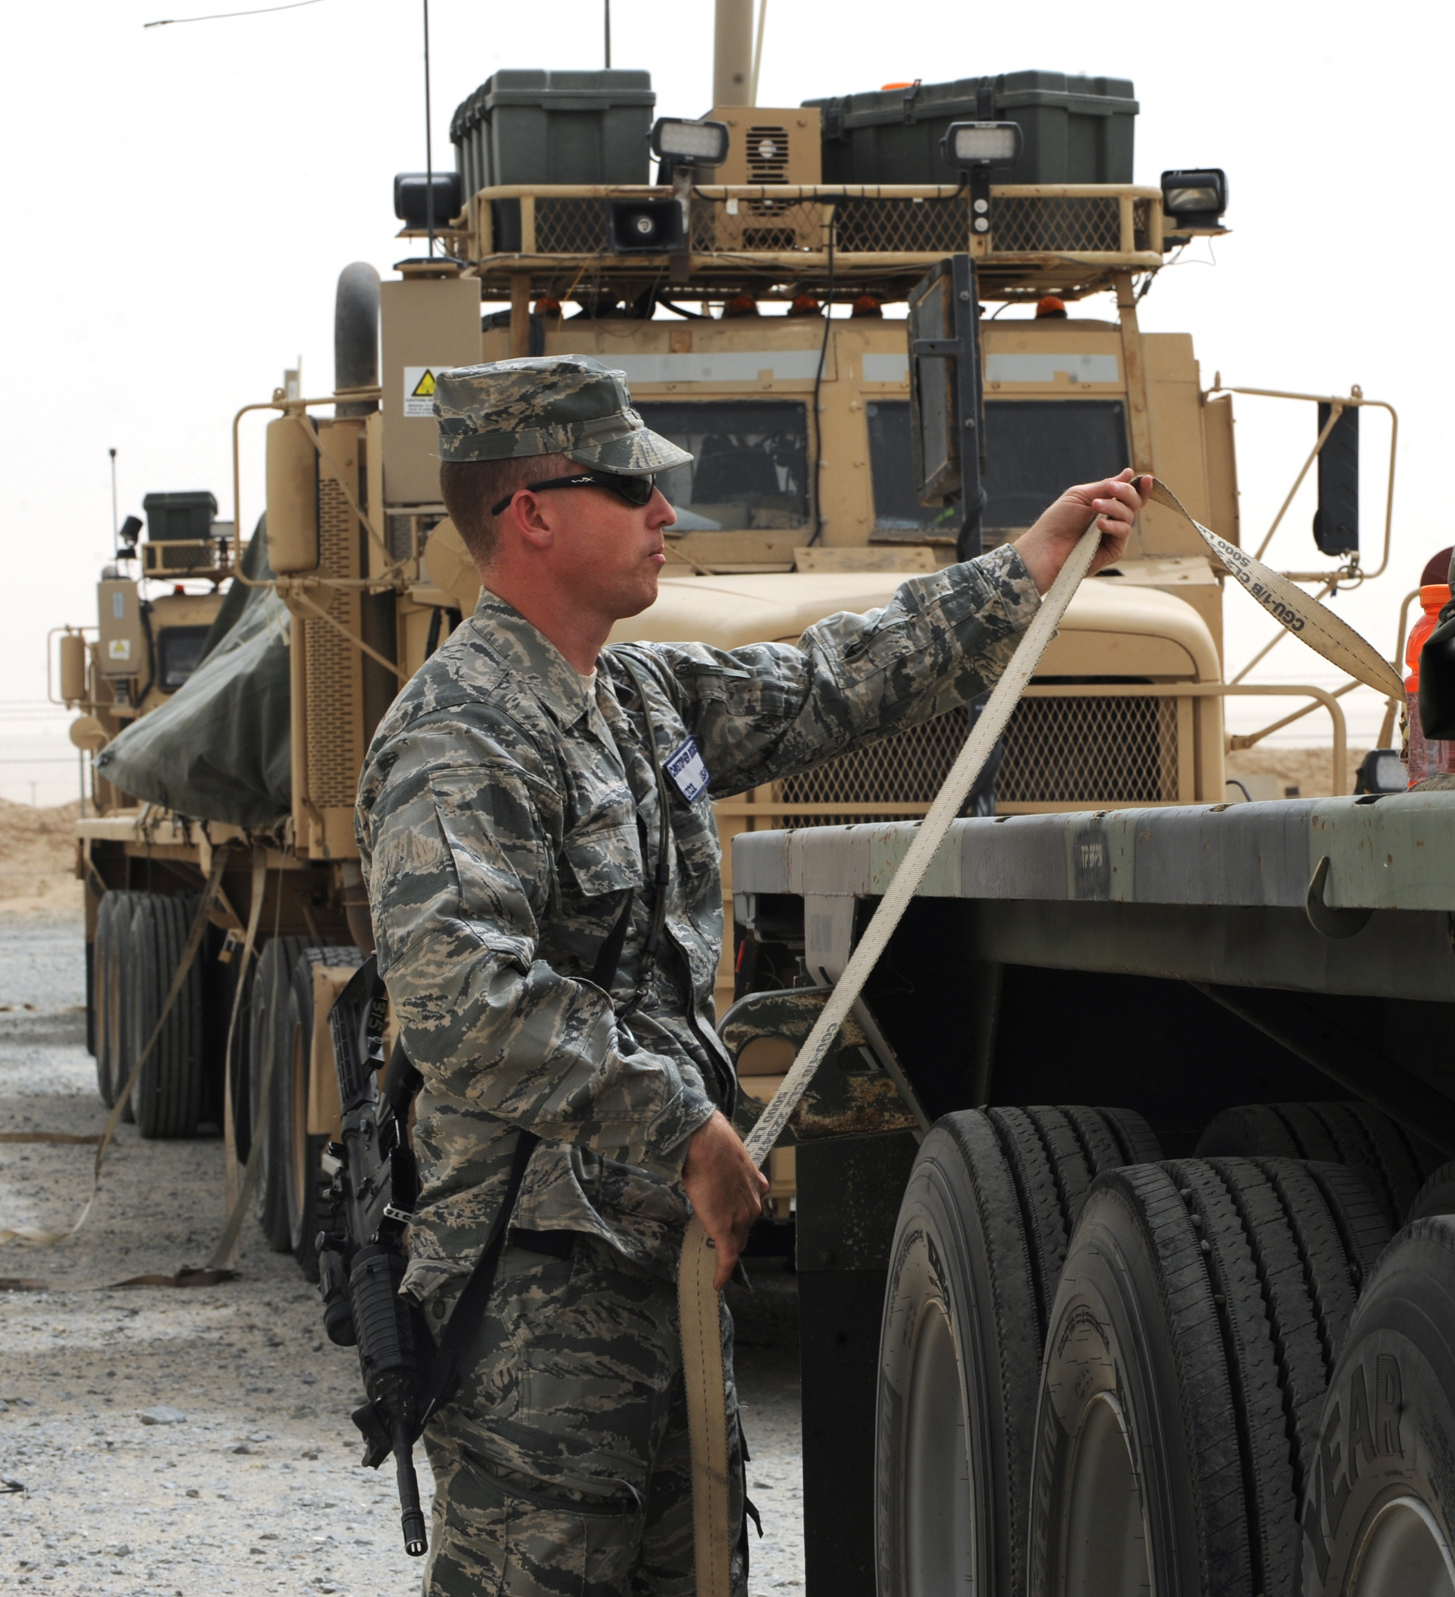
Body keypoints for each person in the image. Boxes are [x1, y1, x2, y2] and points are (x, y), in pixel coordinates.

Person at [354, 353, 1143, 1596]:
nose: (667, 511)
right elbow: (464, 998)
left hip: (654, 1278)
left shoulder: (631, 697)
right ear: (533, 514)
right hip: (534, 1313)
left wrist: (1025, 568)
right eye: (633, 487)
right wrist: (684, 1127)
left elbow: (830, 679)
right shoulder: (463, 735)